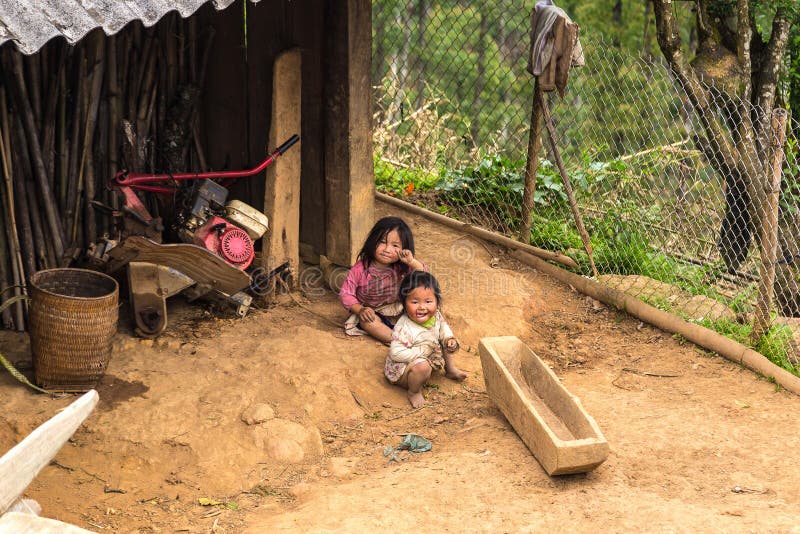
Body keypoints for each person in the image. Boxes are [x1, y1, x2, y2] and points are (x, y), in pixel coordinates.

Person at [385, 271, 467, 408]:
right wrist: (422, 352)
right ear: (404, 304)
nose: (422, 307)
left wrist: (449, 339)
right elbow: (395, 353)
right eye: (415, 302)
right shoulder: (404, 327)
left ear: (437, 302)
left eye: (428, 301)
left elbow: (443, 328)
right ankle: (414, 391)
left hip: (426, 355)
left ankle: (450, 369)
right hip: (403, 370)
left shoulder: (435, 316)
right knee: (423, 367)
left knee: (444, 341)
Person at [339, 216, 426, 344]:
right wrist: (360, 310)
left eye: (395, 245)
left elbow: (422, 278)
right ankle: (401, 342)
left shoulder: (402, 267)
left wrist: (412, 262)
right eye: (382, 242)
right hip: (371, 311)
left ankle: (432, 335)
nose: (387, 249)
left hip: (397, 307)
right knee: (367, 322)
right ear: (372, 241)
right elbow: (345, 293)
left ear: (404, 249)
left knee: (425, 302)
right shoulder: (360, 269)